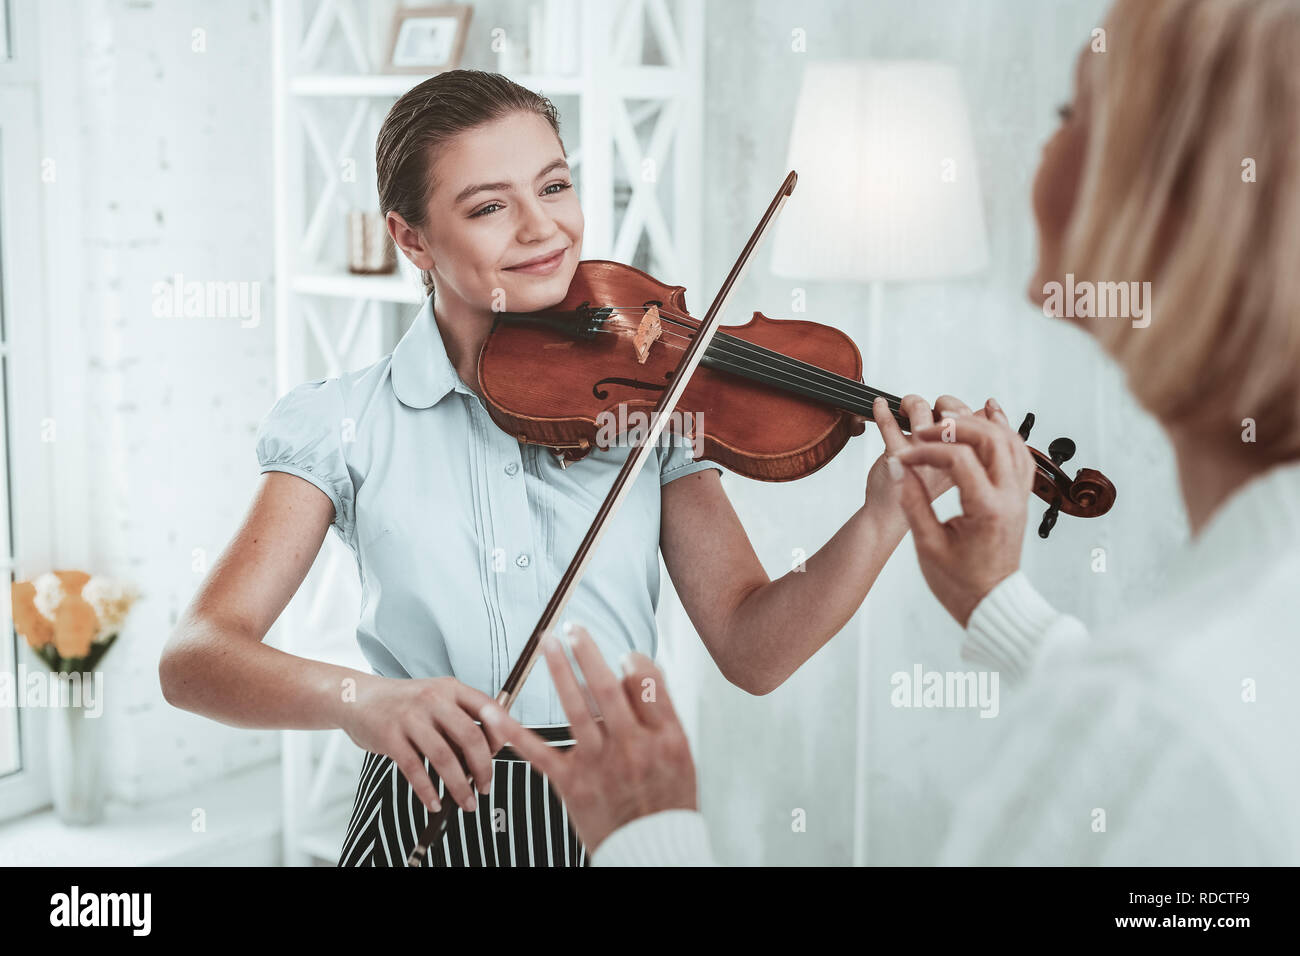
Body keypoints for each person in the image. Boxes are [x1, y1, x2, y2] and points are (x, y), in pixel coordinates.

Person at [480, 0, 1300, 865]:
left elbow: (1153, 744)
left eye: (1072, 116)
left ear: (1167, 214)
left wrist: (654, 835)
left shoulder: (1154, 718)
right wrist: (1000, 605)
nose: (1042, 148)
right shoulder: (1219, 661)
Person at [158, 69, 975, 867]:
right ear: (411, 238)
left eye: (554, 187)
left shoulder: (653, 400)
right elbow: (196, 655)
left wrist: (882, 516)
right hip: (427, 818)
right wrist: (361, 700)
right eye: (488, 206)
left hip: (618, 817)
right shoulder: (342, 422)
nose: (542, 229)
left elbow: (752, 650)